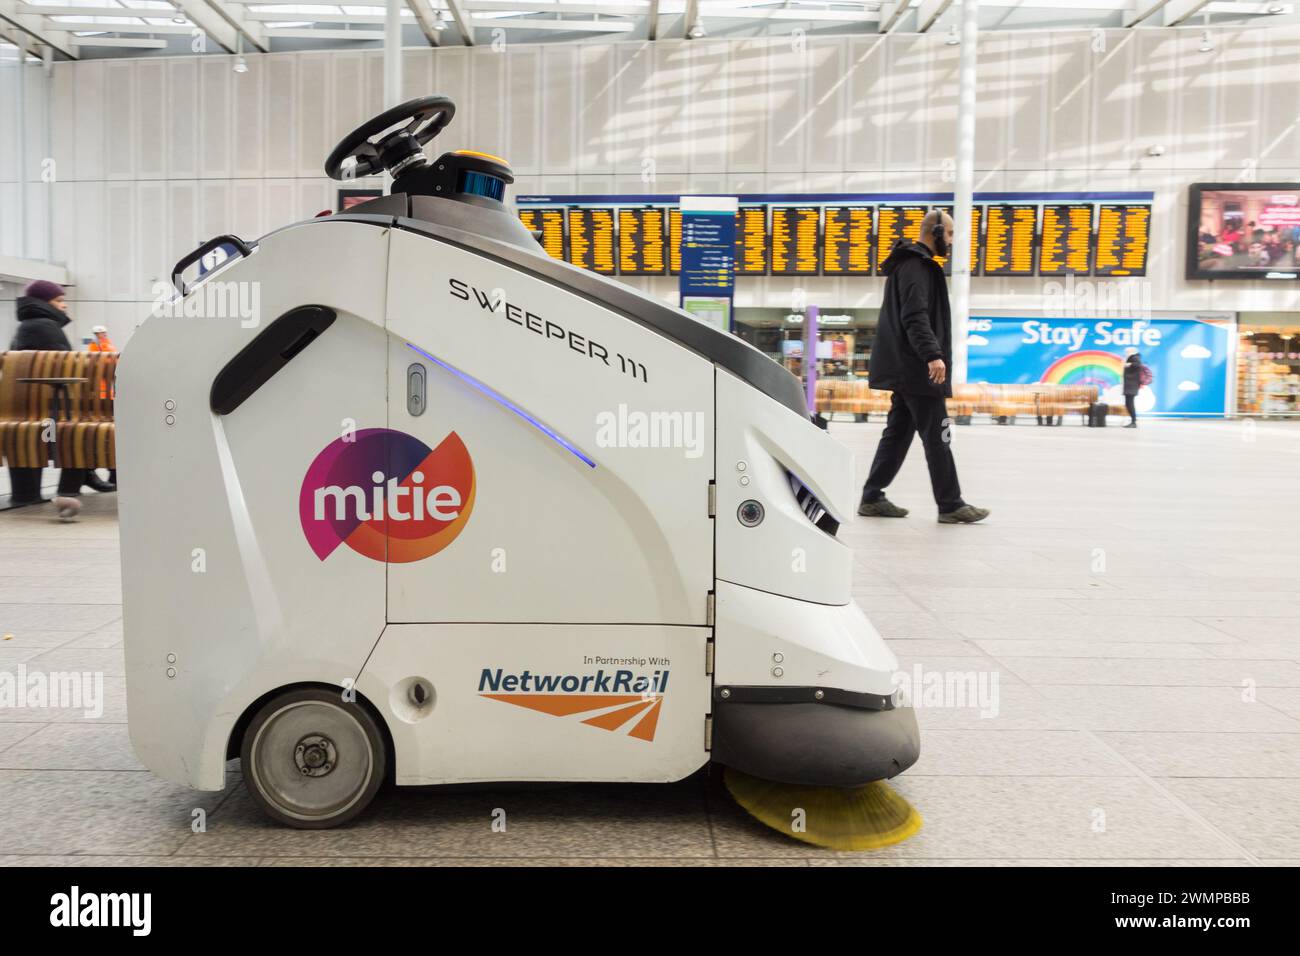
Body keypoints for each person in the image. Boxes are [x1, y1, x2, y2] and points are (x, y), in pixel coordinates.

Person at [857, 210, 989, 524]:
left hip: (907, 367)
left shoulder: (910, 264)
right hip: (917, 368)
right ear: (938, 231)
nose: (952, 241)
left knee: (898, 433)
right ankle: (951, 504)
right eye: (951, 234)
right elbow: (915, 316)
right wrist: (933, 355)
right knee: (938, 435)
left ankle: (872, 496)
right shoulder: (917, 265)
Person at [10, 280, 86, 519]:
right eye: (59, 301)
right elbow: (64, 367)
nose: (64, 306)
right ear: (43, 303)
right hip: (48, 406)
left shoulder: (28, 325)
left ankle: (26, 493)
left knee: (25, 433)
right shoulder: (45, 326)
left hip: (26, 406)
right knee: (79, 430)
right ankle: (69, 488)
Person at [1123, 351, 1143, 428]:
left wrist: (1130, 364)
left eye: (1127, 351)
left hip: (1132, 386)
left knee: (1130, 404)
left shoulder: (1135, 358)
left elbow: (1138, 365)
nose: (1126, 352)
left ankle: (1133, 422)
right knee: (1128, 404)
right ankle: (1133, 421)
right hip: (1129, 386)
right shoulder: (1132, 358)